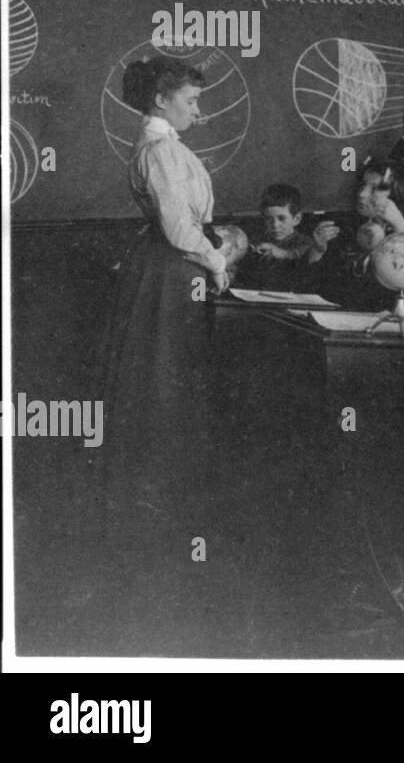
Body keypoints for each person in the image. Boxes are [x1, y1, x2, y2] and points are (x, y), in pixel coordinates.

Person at [99, 57, 231, 551]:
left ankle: (166, 514)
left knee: (167, 383)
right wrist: (218, 262)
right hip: (168, 273)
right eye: (191, 101)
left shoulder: (167, 148)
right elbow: (179, 229)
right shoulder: (159, 150)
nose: (198, 111)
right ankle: (156, 523)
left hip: (171, 272)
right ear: (161, 99)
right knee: (160, 385)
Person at [307, 158, 404, 310]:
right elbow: (314, 289)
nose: (362, 194)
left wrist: (399, 225)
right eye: (363, 185)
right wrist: (317, 251)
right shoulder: (344, 229)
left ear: (398, 194)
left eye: (375, 189)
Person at [238, 183, 316, 291]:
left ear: (297, 219)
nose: (275, 225)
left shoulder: (306, 243)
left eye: (282, 218)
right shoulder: (257, 242)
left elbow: (307, 256)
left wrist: (284, 253)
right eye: (269, 219)